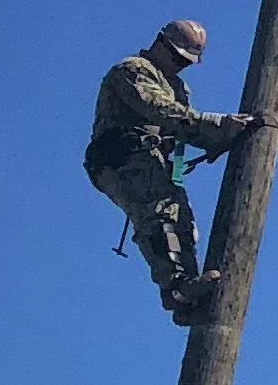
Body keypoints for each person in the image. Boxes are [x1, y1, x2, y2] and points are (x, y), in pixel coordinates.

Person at [87, 19, 260, 322]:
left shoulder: (177, 87)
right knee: (159, 214)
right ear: (160, 43)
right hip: (121, 156)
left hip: (151, 161)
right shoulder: (133, 70)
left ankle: (185, 294)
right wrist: (218, 126)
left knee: (181, 218)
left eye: (186, 62)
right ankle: (175, 285)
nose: (181, 66)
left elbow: (181, 130)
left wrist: (218, 139)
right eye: (178, 58)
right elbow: (164, 112)